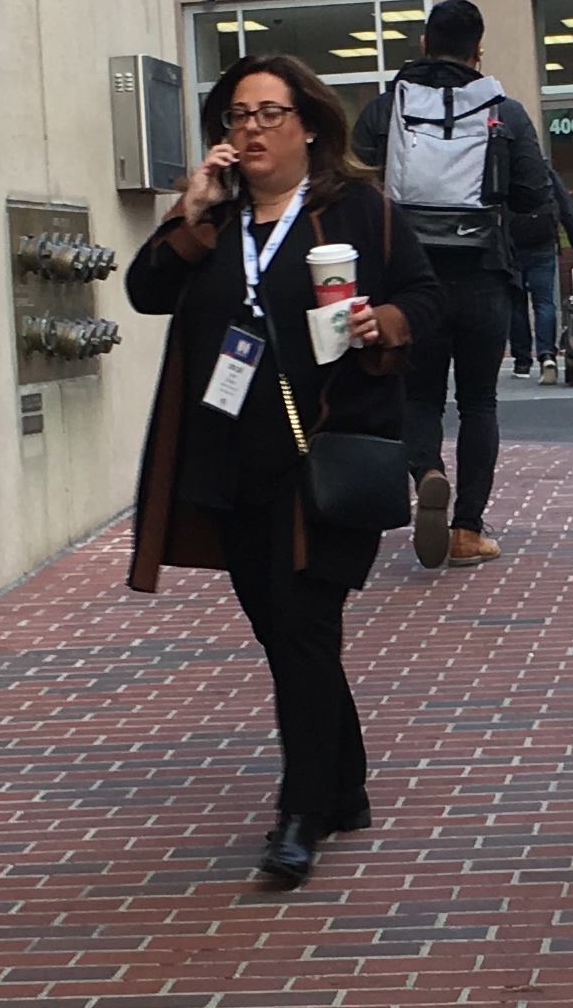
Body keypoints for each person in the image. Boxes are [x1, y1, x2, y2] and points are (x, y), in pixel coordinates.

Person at [124, 53, 444, 886]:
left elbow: (426, 296)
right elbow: (144, 291)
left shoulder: (359, 210)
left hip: (323, 458)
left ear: (308, 124)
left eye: (269, 113)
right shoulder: (216, 220)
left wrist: (388, 321)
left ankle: (300, 812)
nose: (252, 129)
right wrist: (189, 212)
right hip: (231, 462)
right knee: (282, 634)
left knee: (304, 629)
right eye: (237, 115)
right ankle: (344, 785)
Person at [351, 0, 551, 571]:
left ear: (421, 43)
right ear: (478, 49)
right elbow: (535, 194)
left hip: (411, 283)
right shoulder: (503, 112)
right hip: (483, 276)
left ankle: (427, 474)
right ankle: (467, 530)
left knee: (418, 397)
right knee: (480, 402)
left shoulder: (385, 111)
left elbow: (355, 190)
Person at [508, 166, 573, 386]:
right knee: (544, 302)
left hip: (511, 246)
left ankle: (522, 362)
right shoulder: (544, 170)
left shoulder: (503, 167)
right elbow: (566, 210)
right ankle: (547, 355)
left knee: (516, 303)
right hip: (543, 243)